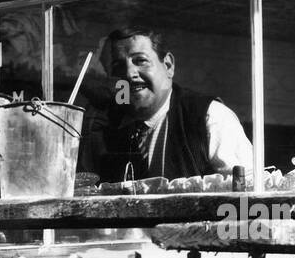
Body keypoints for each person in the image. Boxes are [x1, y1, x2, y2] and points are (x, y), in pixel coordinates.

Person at [94, 27, 253, 183]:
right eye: (118, 66)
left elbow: (245, 194)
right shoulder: (111, 124)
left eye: (141, 60)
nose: (129, 73)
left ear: (168, 66)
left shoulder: (210, 116)